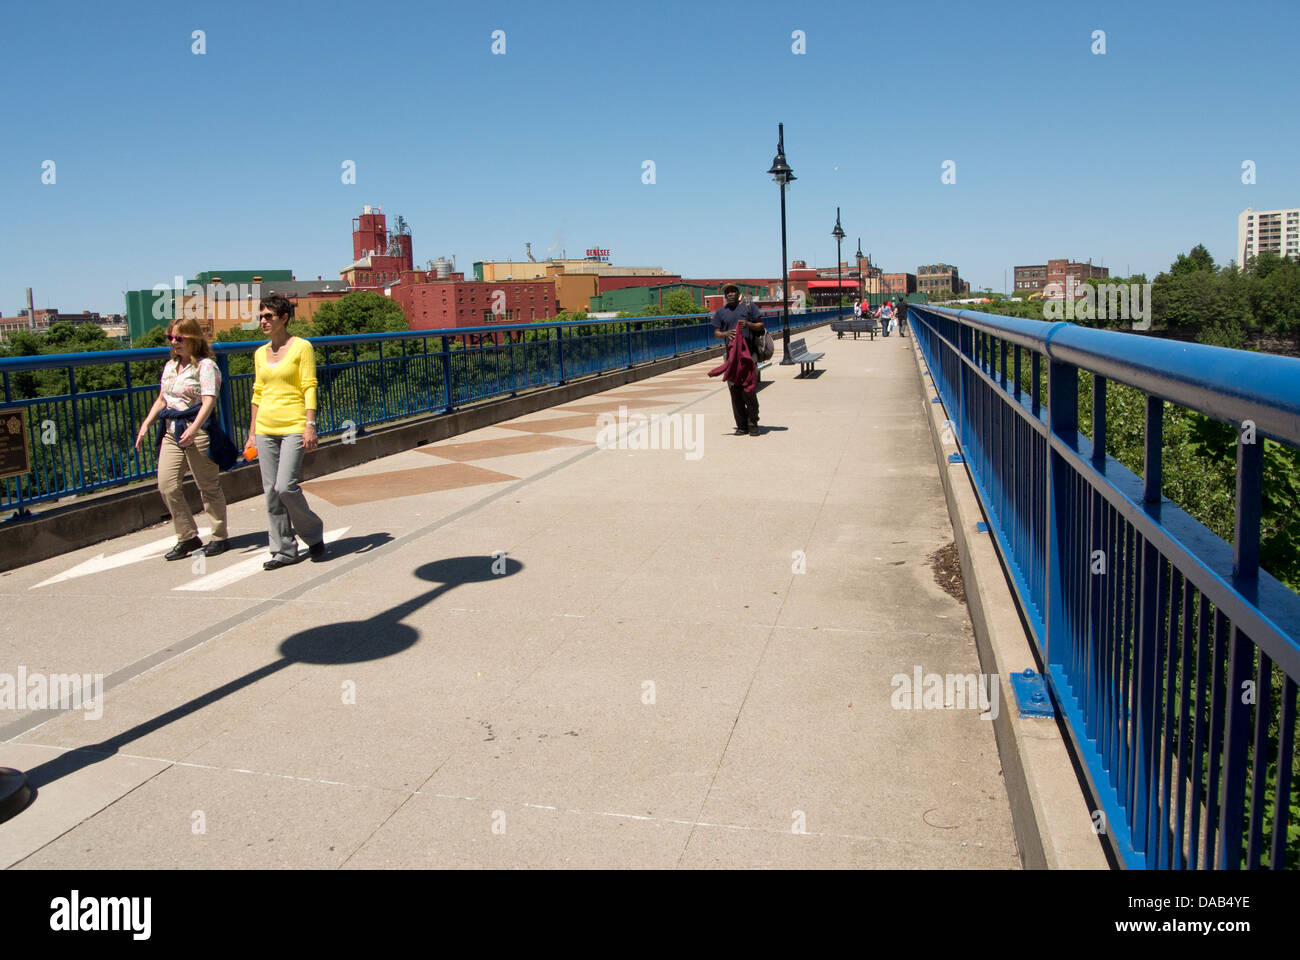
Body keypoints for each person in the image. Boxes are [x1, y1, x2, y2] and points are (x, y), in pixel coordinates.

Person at [134, 317, 235, 560]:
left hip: (197, 431)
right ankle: (188, 536)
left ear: (193, 339)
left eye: (179, 338)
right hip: (171, 431)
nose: (174, 343)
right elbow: (162, 399)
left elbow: (209, 400)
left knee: (207, 486)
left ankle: (219, 536)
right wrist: (146, 424)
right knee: (167, 486)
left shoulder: (206, 366)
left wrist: (194, 428)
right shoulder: (170, 366)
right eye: (171, 338)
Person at [250, 294, 327, 570]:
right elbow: (258, 394)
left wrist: (310, 424)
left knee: (285, 486)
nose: (263, 321)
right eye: (261, 316)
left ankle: (313, 532)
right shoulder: (260, 353)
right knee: (270, 491)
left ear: (284, 318)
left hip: (294, 425)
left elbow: (309, 385)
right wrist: (251, 433)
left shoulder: (302, 348)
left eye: (268, 316)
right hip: (265, 428)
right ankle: (283, 550)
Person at [712, 283, 765, 436]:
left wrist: (748, 324)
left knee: (749, 390)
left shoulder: (749, 307)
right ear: (725, 295)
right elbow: (716, 333)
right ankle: (741, 425)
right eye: (727, 292)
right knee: (735, 393)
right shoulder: (721, 312)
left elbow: (760, 325)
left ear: (738, 293)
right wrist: (726, 334)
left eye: (733, 291)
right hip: (731, 359)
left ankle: (753, 422)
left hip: (749, 355)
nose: (730, 294)